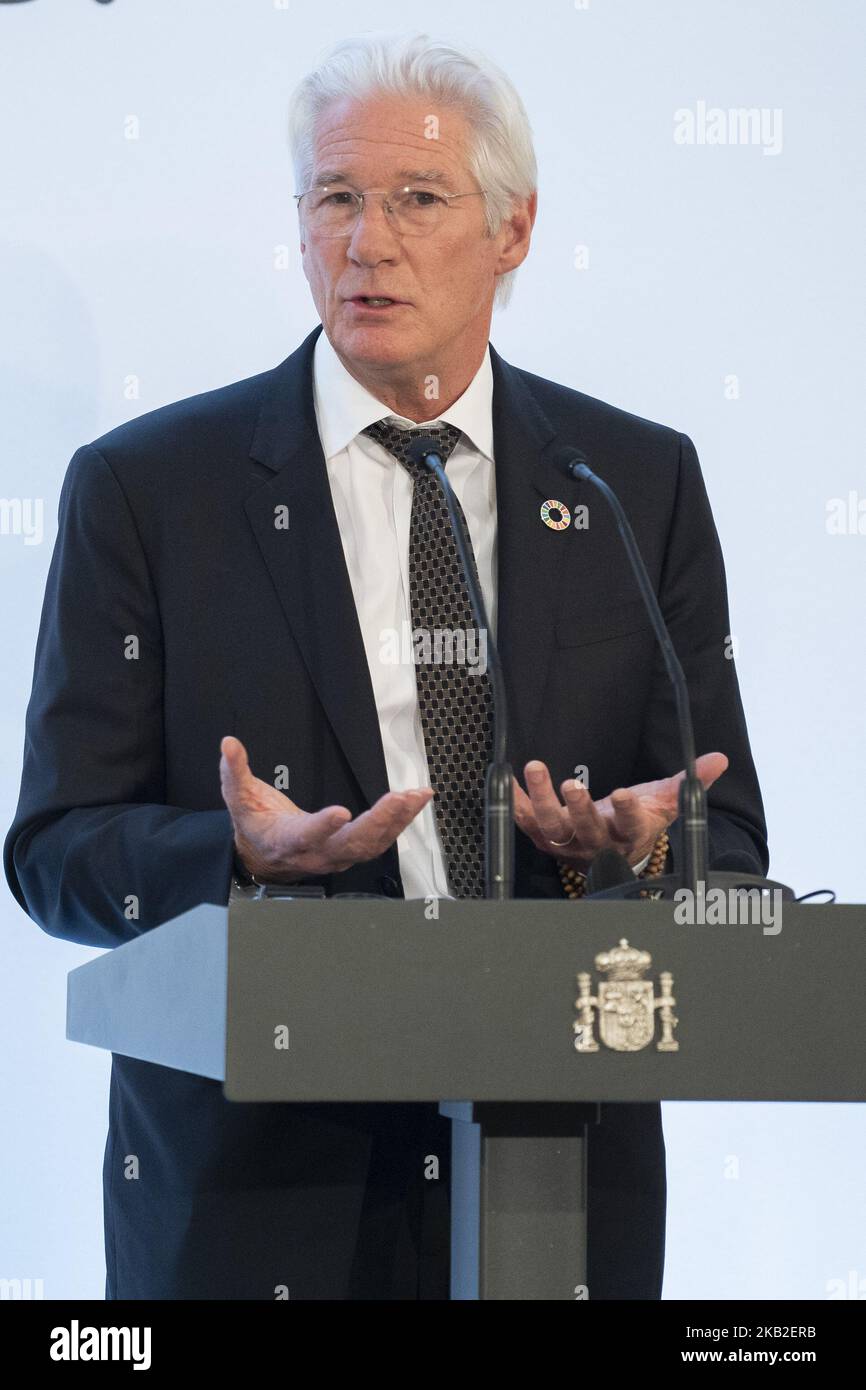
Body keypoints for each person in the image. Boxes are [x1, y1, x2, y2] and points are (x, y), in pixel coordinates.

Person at [4, 31, 768, 1300]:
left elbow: (724, 836)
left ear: (512, 232)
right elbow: (56, 852)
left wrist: (632, 853)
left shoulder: (633, 481)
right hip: (256, 1201)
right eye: (334, 199)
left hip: (558, 1186)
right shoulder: (148, 492)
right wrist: (241, 855)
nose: (367, 242)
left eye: (417, 200)